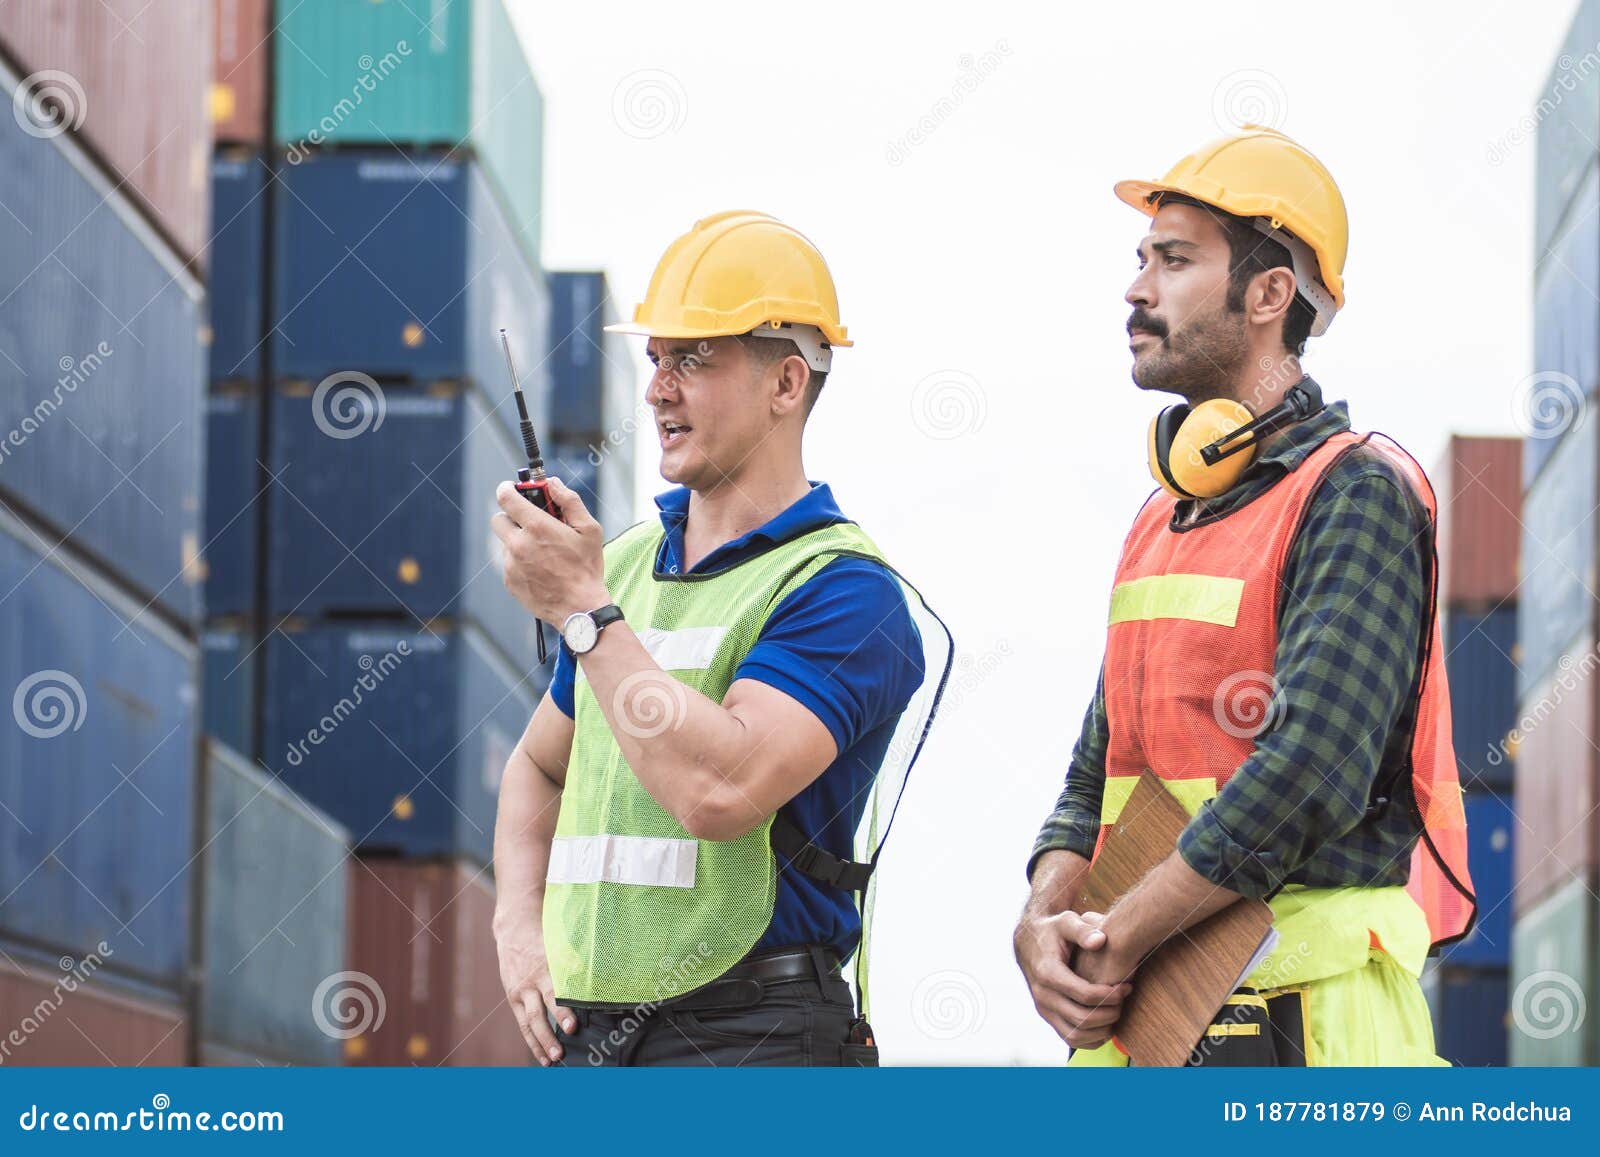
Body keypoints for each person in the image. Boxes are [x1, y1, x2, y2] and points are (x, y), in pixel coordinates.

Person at [1014, 126, 1476, 1067]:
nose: (1135, 289)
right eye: (1141, 258)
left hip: (1307, 1031)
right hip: (1149, 1021)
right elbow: (1093, 774)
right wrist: (1044, 921)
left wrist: (1117, 936)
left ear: (1269, 294)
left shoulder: (1354, 494)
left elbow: (1309, 770)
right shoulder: (1162, 515)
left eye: (1173, 261)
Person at [489, 211, 948, 1067]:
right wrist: (517, 923)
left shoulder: (846, 594)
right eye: (657, 357)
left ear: (785, 383)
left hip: (752, 1040)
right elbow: (539, 766)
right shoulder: (621, 565)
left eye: (695, 357)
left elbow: (720, 790)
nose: (659, 387)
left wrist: (583, 613)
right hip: (585, 1043)